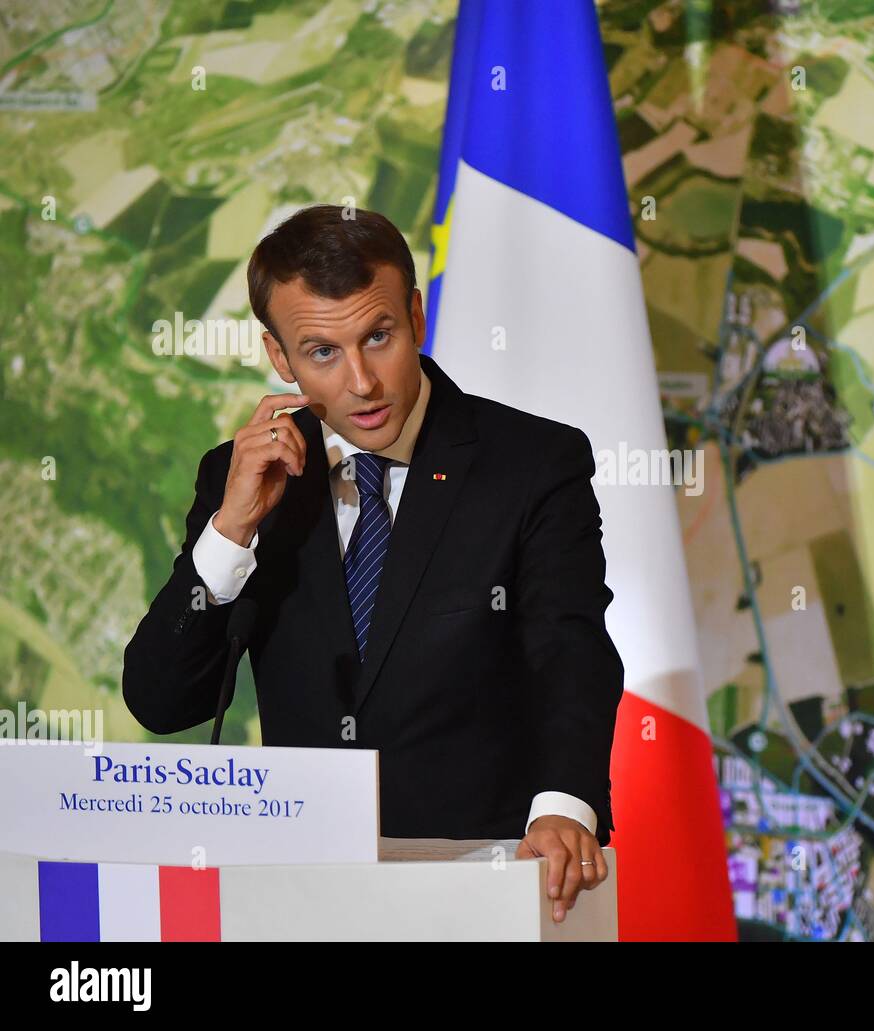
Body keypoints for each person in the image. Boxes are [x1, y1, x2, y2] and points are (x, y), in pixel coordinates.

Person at [123, 205, 624, 923]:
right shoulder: (239, 477)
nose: (361, 382)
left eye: (378, 336)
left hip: (491, 887)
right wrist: (232, 530)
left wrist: (564, 804)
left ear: (416, 316)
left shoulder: (533, 463)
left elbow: (570, 649)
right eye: (322, 352)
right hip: (302, 901)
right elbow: (162, 700)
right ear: (279, 357)